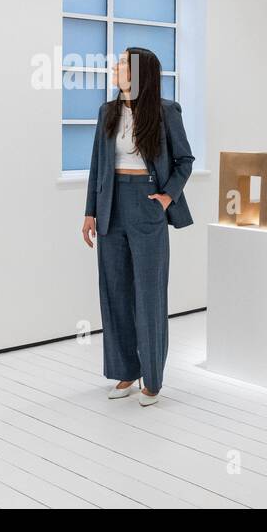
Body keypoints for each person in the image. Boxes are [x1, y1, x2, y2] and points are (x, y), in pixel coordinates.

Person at [81, 47, 195, 406]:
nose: (115, 67)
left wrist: (167, 197)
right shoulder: (107, 111)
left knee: (149, 294)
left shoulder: (165, 111)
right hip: (110, 206)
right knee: (115, 292)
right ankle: (126, 371)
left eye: (121, 63)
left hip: (147, 204)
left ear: (139, 72)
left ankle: (153, 379)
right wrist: (90, 212)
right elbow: (97, 165)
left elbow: (185, 160)